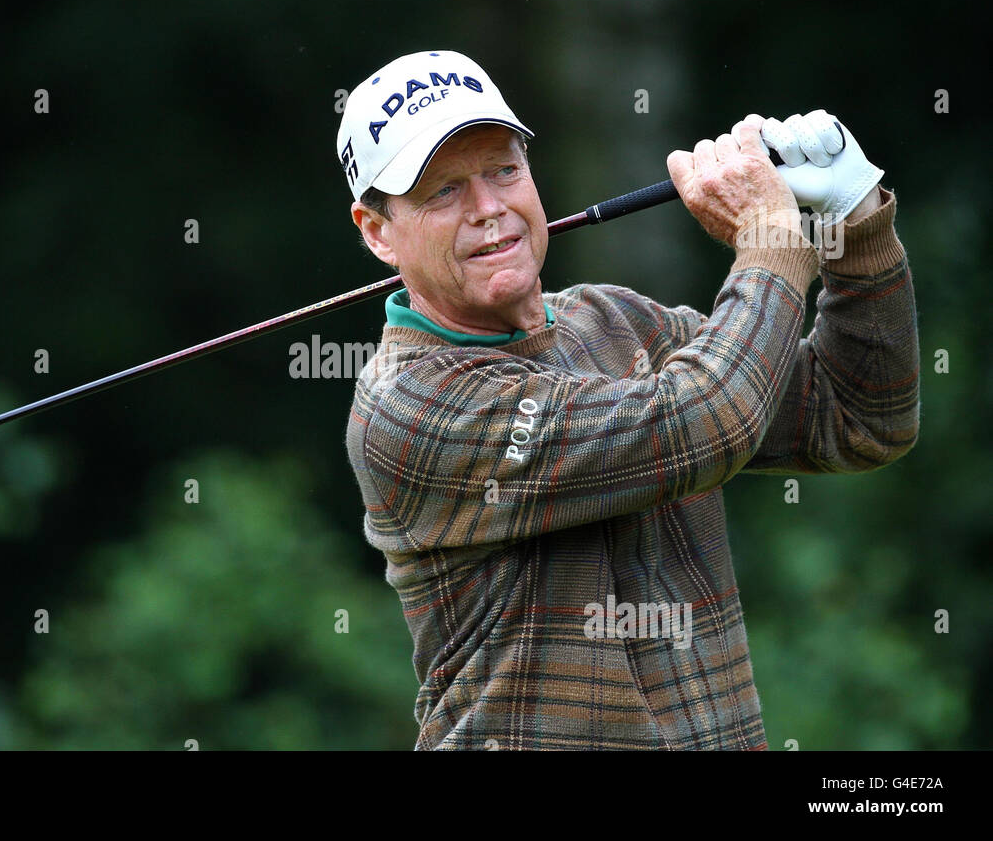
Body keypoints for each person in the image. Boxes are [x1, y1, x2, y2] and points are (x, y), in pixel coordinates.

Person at [338, 50, 919, 750]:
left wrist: (855, 225)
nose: (489, 208)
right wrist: (770, 242)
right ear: (376, 232)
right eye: (443, 191)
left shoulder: (614, 321)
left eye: (503, 169)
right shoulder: (407, 408)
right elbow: (706, 421)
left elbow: (860, 419)